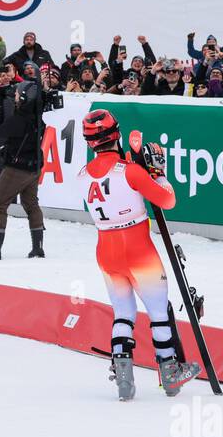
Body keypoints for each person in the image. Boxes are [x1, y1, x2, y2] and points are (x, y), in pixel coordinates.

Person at [78, 110, 201, 401]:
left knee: (123, 312)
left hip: (106, 249)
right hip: (138, 248)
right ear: (115, 134)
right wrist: (158, 173)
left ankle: (123, 375)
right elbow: (167, 199)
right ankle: (170, 372)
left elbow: (112, 177)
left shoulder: (83, 175)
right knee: (158, 312)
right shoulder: (129, 171)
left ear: (90, 142)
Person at [0, 78, 46, 261]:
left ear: (23, 98)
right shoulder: (37, 117)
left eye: (16, 93)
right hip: (34, 167)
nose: (14, 95)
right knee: (32, 205)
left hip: (17, 168)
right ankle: (38, 248)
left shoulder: (20, 120)